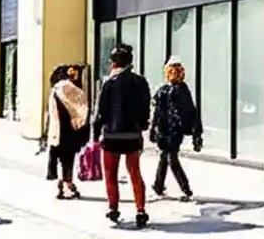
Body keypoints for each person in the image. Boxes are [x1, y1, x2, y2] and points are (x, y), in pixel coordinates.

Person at [92, 44, 152, 228]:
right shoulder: (140, 82)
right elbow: (145, 108)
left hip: (111, 135)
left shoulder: (109, 83)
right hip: (132, 135)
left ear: (114, 63)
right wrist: (141, 126)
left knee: (111, 173)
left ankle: (113, 208)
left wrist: (96, 133)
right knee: (134, 171)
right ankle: (140, 210)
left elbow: (100, 111)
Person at [150, 58, 202, 201]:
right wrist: (153, 128)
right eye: (170, 71)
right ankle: (159, 185)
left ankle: (184, 187)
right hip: (163, 129)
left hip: (174, 130)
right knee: (165, 157)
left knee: (170, 158)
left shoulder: (182, 91)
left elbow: (191, 112)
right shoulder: (163, 90)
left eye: (175, 71)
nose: (173, 74)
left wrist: (196, 134)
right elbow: (157, 112)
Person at [45, 64, 90, 200]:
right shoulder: (68, 88)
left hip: (56, 131)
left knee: (61, 159)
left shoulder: (55, 89)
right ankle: (67, 185)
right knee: (68, 159)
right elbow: (81, 106)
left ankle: (63, 184)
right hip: (68, 130)